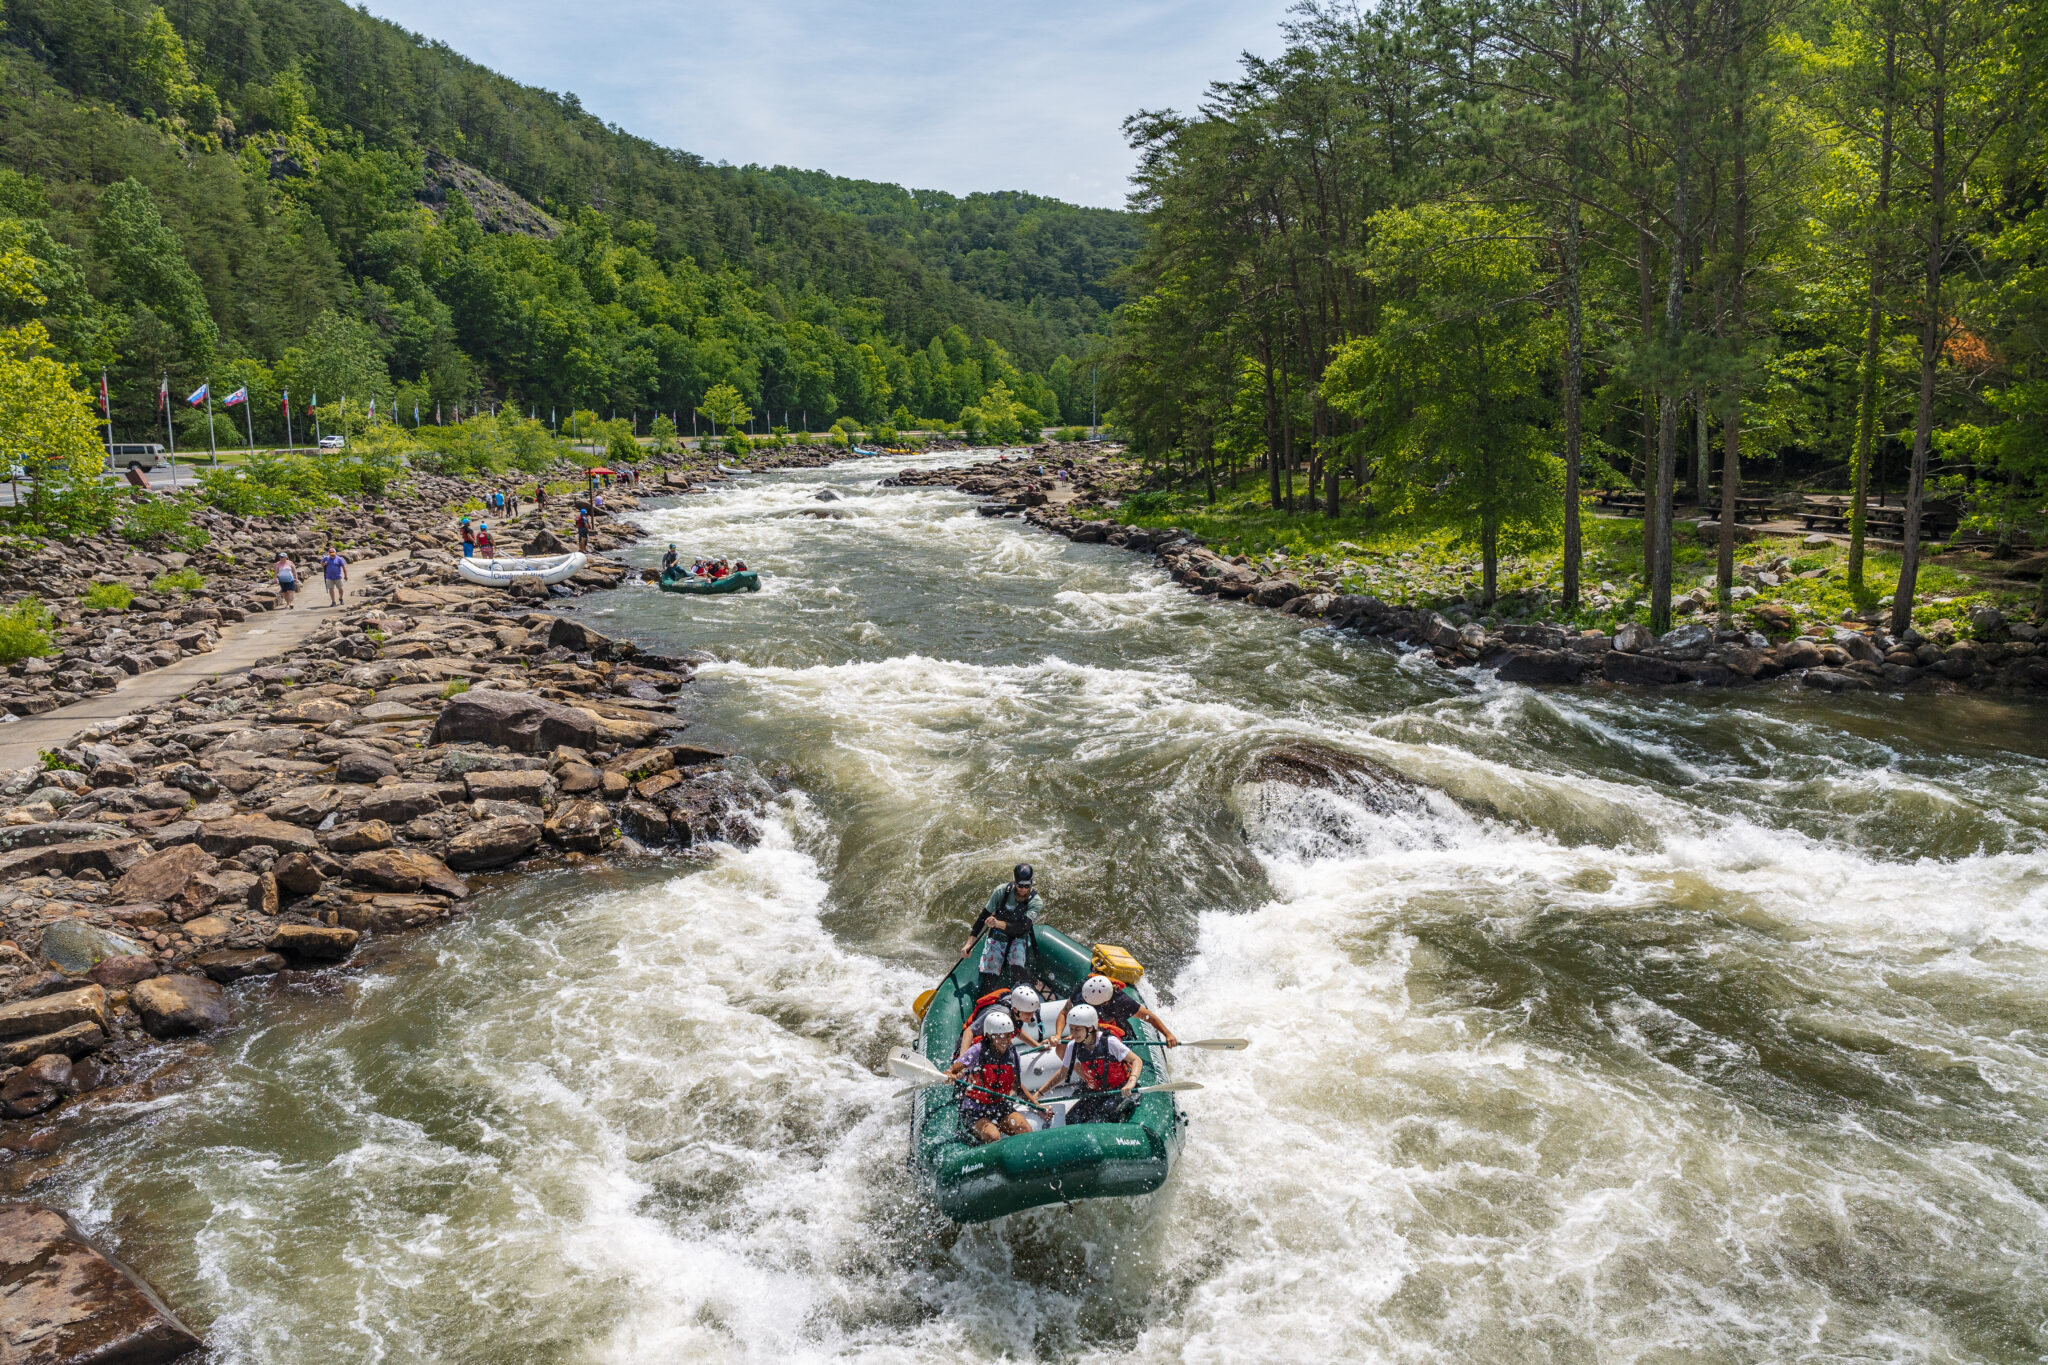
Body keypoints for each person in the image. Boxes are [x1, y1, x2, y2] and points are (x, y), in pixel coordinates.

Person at [1029, 1003, 1141, 1125]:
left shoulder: (1109, 1042)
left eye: (1077, 1029)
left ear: (1091, 1028)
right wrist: (1039, 1094)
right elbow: (1062, 1073)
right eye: (1071, 1029)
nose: (1073, 1033)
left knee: (1106, 1113)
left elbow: (1136, 1060)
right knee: (1072, 1119)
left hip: (1120, 1089)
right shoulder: (1073, 1046)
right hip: (1098, 1092)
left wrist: (1131, 1083)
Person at [943, 1011, 1036, 1143]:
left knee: (1024, 1129)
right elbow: (953, 1070)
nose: (1005, 1041)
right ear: (989, 1035)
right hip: (974, 1109)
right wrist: (950, 1075)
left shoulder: (1013, 1055)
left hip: (1000, 1106)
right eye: (1001, 1036)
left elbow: (1017, 1086)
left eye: (1008, 1036)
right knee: (993, 1136)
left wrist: (1037, 1106)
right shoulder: (977, 1051)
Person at [960, 863, 1042, 992]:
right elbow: (982, 917)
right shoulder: (1001, 891)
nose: (1023, 890)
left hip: (1018, 937)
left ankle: (1035, 982)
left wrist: (997, 923)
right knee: (989, 980)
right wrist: (969, 944)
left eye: (1027, 886)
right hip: (998, 935)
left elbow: (1021, 927)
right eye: (1020, 885)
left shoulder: (1036, 901)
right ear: (1014, 881)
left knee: (1018, 971)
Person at [1055, 973, 1181, 1048]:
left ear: (1106, 1002)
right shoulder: (1082, 990)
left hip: (1114, 1033)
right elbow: (1063, 1013)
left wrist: (1168, 1035)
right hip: (1088, 1031)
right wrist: (1058, 1035)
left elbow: (1149, 1017)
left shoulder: (1121, 1001)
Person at [959, 983, 1045, 1055]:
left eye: (1033, 1012)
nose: (1031, 1016)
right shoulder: (1000, 1014)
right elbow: (969, 1032)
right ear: (1015, 1009)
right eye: (1028, 1012)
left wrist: (1037, 1046)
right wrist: (961, 1062)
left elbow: (1017, 1031)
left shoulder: (1016, 1010)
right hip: (967, 1044)